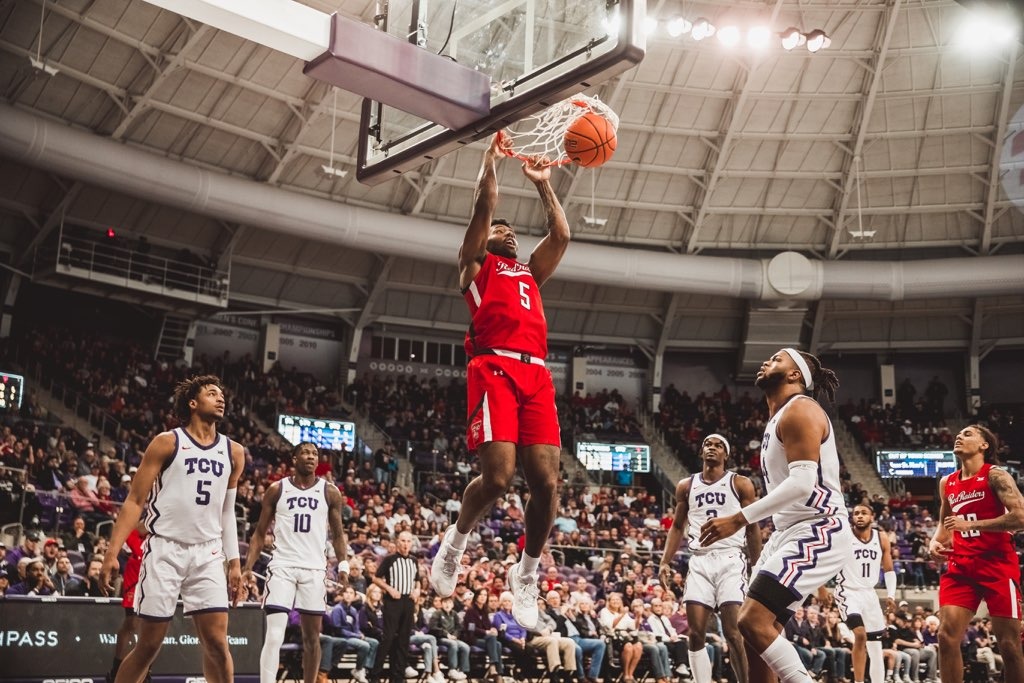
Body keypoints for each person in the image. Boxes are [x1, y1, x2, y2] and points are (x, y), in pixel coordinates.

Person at [431, 132, 570, 630]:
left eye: (513, 232)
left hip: (535, 371)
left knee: (547, 482)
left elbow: (561, 237)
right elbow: (484, 206)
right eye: (501, 231)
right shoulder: (475, 266)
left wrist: (542, 185)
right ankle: (456, 541)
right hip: (492, 367)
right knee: (497, 478)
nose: (508, 234)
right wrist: (490, 159)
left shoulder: (530, 272)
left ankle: (527, 574)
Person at [699, 348, 852, 683]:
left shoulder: (801, 410)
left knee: (751, 620)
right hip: (790, 531)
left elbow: (802, 484)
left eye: (777, 359)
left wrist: (738, 518)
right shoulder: (778, 417)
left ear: (795, 375)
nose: (766, 362)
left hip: (820, 527)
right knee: (757, 636)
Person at [100, 375, 244, 683]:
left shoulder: (235, 452)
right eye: (211, 393)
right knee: (149, 645)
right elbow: (135, 500)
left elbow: (227, 511)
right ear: (193, 403)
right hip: (165, 548)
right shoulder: (168, 442)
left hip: (208, 551)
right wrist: (111, 552)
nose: (220, 399)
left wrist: (234, 561)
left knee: (218, 644)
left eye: (222, 395)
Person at [242, 441, 350, 683]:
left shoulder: (330, 491)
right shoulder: (277, 489)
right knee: (274, 635)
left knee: (312, 638)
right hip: (282, 566)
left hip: (314, 568)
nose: (311, 456)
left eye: (315, 453)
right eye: (305, 452)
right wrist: (248, 567)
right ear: (294, 458)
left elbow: (339, 534)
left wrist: (343, 566)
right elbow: (259, 533)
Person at [658, 433, 762, 683]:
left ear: (726, 455)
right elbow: (677, 526)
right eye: (707, 444)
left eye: (718, 445)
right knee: (695, 634)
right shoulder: (686, 485)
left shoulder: (741, 483)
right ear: (701, 452)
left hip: (731, 559)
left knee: (733, 632)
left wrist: (757, 565)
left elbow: (752, 527)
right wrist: (665, 560)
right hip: (700, 560)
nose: (712, 448)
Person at [928, 424, 1024, 683]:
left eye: (968, 434)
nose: (959, 435)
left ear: (985, 445)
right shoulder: (947, 483)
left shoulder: (996, 476)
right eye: (958, 434)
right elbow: (944, 523)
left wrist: (972, 525)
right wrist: (935, 542)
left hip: (997, 564)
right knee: (946, 636)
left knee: (1010, 646)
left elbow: (1021, 517)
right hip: (961, 566)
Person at [829, 503, 897, 683]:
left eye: (863, 513)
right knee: (860, 634)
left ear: (872, 517)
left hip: (870, 594)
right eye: (856, 513)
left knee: (876, 647)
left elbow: (889, 569)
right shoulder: (844, 536)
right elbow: (827, 560)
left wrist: (891, 595)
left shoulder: (881, 537)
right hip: (847, 591)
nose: (859, 516)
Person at [370, 531, 420, 683]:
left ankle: (397, 677)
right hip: (393, 601)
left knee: (404, 640)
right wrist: (389, 589)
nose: (405, 544)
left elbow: (417, 580)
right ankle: (375, 676)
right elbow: (376, 578)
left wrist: (417, 590)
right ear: (398, 542)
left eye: (408, 541)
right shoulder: (389, 559)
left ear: (412, 543)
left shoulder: (414, 560)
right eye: (403, 541)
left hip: (408, 602)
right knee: (389, 638)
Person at [107, 526, 148, 683]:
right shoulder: (136, 540)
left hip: (153, 582)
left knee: (149, 627)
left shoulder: (160, 540)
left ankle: (145, 671)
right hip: (134, 581)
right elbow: (130, 529)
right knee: (131, 623)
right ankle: (116, 667)